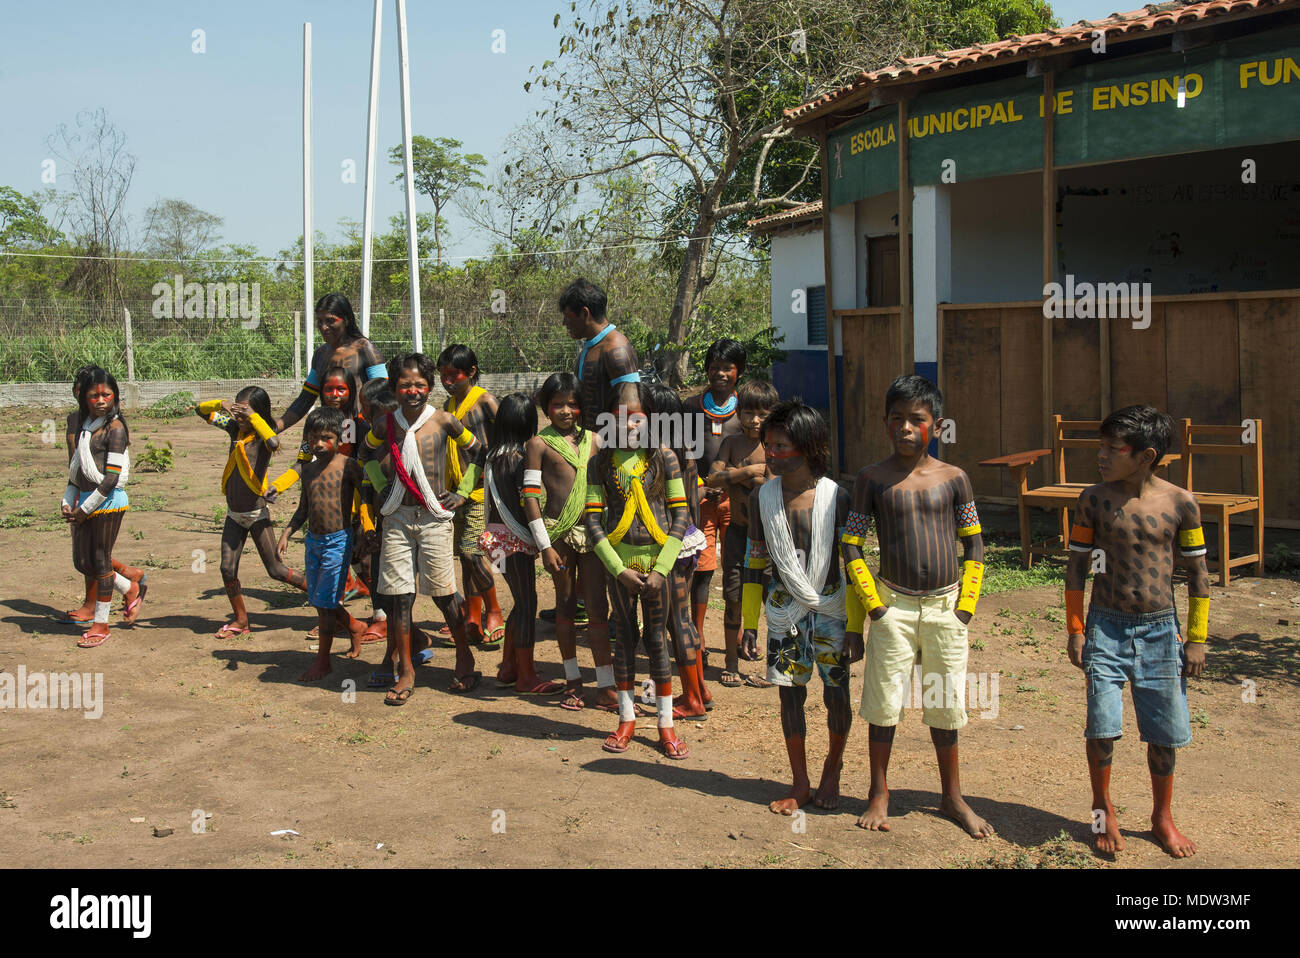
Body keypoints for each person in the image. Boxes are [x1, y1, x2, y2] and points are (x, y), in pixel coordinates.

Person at [844, 375, 991, 838]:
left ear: (938, 425)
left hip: (947, 607)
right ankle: (879, 792)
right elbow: (851, 544)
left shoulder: (954, 479)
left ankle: (951, 796)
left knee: (945, 705)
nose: (906, 428)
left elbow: (975, 544)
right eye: (897, 419)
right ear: (885, 423)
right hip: (893, 606)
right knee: (883, 704)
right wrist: (874, 607)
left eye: (917, 420)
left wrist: (964, 607)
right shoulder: (871, 479)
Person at [1065, 405, 1209, 858]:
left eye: (1113, 448)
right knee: (1102, 727)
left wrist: (1198, 637)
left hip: (1161, 632)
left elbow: (1199, 574)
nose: (1102, 455)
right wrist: (1076, 629)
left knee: (1165, 732)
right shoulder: (1093, 499)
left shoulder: (1181, 504)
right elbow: (1075, 568)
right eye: (1101, 446)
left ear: (1146, 455)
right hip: (1105, 627)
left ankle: (1162, 816)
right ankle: (1102, 808)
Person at [742, 400, 857, 812]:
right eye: (767, 446)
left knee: (836, 694)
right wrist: (749, 623)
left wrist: (856, 627)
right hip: (783, 611)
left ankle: (833, 766)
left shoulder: (837, 498)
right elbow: (754, 562)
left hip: (831, 611)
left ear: (809, 446)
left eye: (781, 445)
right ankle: (800, 780)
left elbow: (854, 565)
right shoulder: (762, 498)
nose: (771, 454)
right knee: (789, 697)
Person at [365, 353, 484, 705]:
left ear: (430, 388)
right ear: (394, 388)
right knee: (400, 597)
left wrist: (463, 493)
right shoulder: (385, 424)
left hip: (434, 517)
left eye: (419, 385)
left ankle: (464, 657)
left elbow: (480, 453)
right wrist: (378, 484)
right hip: (398, 517)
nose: (413, 391)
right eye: (405, 385)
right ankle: (406, 670)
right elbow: (365, 455)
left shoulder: (444, 421)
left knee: (445, 594)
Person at [584, 383, 691, 759]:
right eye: (619, 417)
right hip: (621, 566)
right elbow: (593, 521)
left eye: (637, 417)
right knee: (625, 640)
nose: (628, 424)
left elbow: (681, 516)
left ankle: (665, 723)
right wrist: (617, 570)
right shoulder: (600, 463)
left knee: (659, 642)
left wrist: (662, 569)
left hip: (659, 564)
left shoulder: (664, 458)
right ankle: (626, 718)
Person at [521, 373, 618, 712]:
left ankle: (606, 685)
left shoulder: (597, 441)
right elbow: (530, 497)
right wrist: (544, 545)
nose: (565, 410)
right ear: (546, 407)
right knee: (564, 606)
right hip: (558, 535)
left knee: (597, 608)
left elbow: (610, 488)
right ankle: (573, 681)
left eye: (572, 404)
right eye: (558, 404)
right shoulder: (538, 444)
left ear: (581, 408)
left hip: (593, 533)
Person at [195, 387, 308, 638]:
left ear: (258, 412)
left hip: (257, 514)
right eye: (238, 409)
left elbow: (274, 441)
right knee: (227, 569)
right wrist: (220, 403)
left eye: (245, 410)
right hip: (233, 514)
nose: (240, 415)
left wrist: (254, 417)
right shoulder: (234, 428)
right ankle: (241, 619)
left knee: (276, 570)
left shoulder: (261, 436)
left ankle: (320, 595)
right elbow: (199, 411)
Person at [477, 393, 567, 695]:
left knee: (520, 601)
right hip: (513, 539)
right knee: (527, 603)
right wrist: (543, 541)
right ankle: (525, 675)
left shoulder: (492, 456)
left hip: (495, 540)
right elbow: (526, 502)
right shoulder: (518, 460)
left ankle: (508, 667)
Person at [276, 407, 370, 680]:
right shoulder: (307, 471)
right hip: (313, 541)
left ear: (339, 438)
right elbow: (303, 508)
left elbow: (364, 499)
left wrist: (365, 529)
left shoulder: (348, 466)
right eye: (313, 437)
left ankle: (323, 661)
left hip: (339, 541)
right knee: (320, 601)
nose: (318, 444)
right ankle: (354, 626)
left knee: (327, 602)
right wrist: (287, 532)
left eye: (326, 437)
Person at [61, 368, 144, 647]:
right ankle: (131, 586)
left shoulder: (115, 429)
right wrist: (67, 499)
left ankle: (101, 624)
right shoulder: (85, 427)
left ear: (115, 396)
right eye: (93, 395)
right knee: (82, 562)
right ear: (83, 398)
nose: (100, 400)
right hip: (85, 498)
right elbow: (76, 472)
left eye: (106, 395)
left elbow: (110, 479)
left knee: (99, 559)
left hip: (107, 502)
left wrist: (85, 510)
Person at [707, 378, 778, 688]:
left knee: (774, 600)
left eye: (762, 413)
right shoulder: (731, 442)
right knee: (733, 597)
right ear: (739, 413)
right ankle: (731, 663)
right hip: (737, 534)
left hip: (771, 536)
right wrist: (748, 471)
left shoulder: (776, 445)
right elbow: (712, 477)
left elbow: (774, 483)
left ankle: (776, 667)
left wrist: (733, 478)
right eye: (748, 413)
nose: (755, 420)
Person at [645, 381, 709, 720]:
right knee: (683, 620)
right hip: (689, 540)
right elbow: (694, 506)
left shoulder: (655, 456)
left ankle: (692, 699)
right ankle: (699, 688)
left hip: (666, 543)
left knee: (668, 624)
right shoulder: (686, 452)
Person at [437, 344, 504, 649]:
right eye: (443, 375)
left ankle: (495, 613)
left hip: (479, 492)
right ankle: (472, 618)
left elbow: (499, 445)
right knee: (464, 558)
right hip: (454, 494)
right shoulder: (448, 405)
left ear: (472, 372)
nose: (447, 381)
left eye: (454, 374)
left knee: (474, 554)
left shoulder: (485, 402)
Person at [687, 339, 746, 672]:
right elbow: (682, 453)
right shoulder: (691, 406)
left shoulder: (748, 409)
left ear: (739, 371)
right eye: (714, 366)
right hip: (703, 500)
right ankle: (697, 638)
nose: (720, 373)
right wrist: (700, 486)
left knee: (736, 569)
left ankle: (737, 637)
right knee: (703, 570)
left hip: (739, 503)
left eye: (727, 367)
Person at [273, 292, 386, 432]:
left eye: (330, 321)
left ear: (346, 319)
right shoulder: (320, 354)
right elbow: (306, 398)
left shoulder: (365, 349)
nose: (323, 327)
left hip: (360, 432)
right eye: (319, 321)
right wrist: (274, 428)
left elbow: (385, 394)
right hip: (330, 433)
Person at [559, 277, 641, 433]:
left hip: (609, 449)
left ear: (584, 313)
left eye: (567, 317)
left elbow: (631, 410)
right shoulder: (591, 346)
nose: (564, 323)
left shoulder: (615, 349)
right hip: (589, 447)